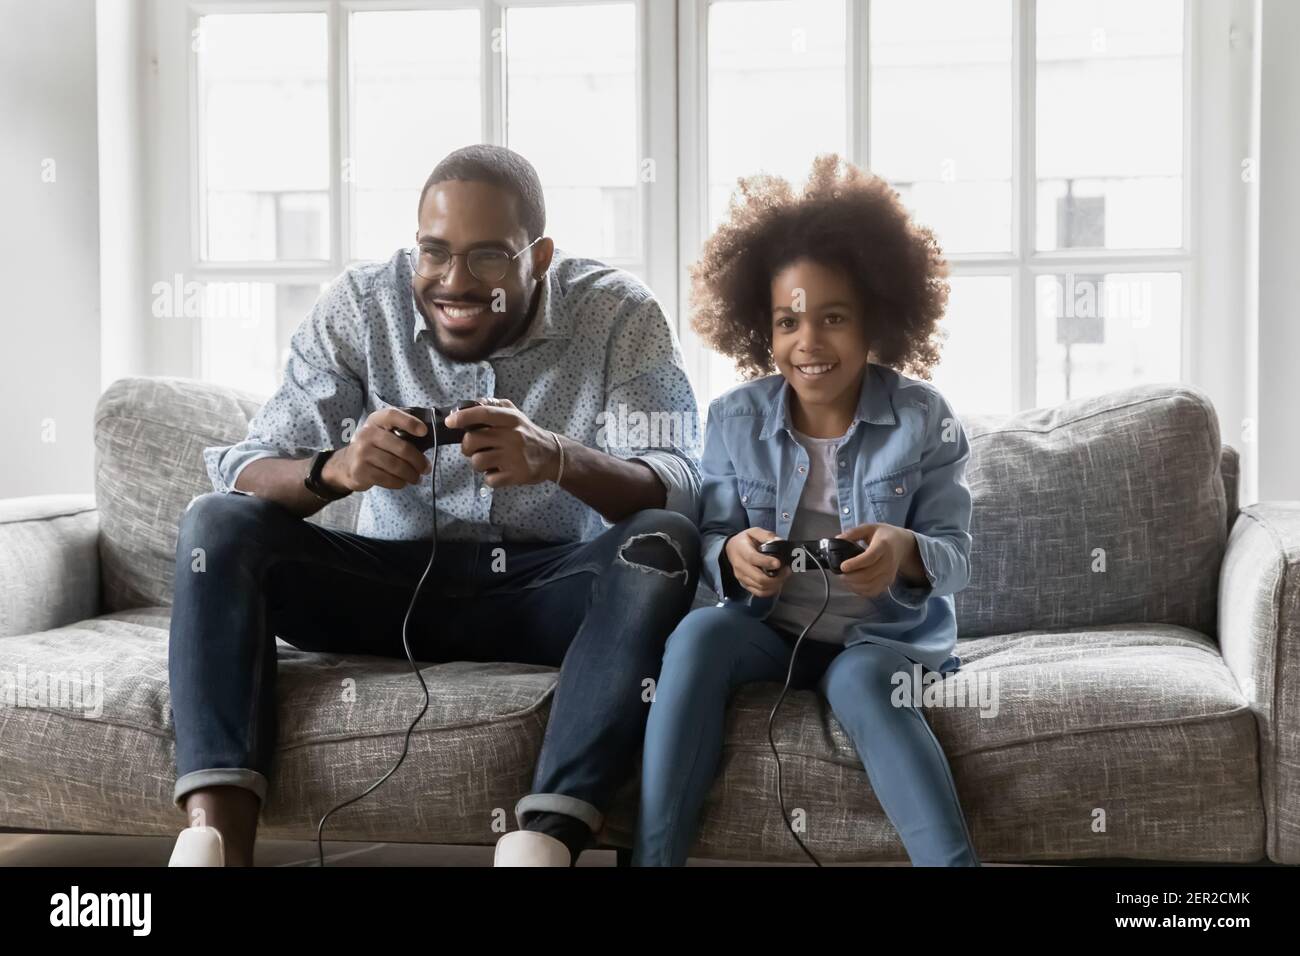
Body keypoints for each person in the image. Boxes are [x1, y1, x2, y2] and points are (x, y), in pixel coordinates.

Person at [166, 144, 702, 867]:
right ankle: (216, 842)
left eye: (487, 257)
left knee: (661, 540)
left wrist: (558, 458)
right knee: (216, 520)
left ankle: (546, 839)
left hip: (546, 598)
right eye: (433, 252)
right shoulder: (360, 306)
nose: (454, 282)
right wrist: (338, 470)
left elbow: (678, 481)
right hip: (385, 590)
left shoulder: (617, 312)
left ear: (538, 256)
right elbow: (244, 466)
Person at [633, 154, 980, 866]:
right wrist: (729, 555)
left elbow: (957, 556)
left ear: (875, 321)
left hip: (885, 639)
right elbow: (717, 532)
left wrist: (903, 548)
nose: (808, 343)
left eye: (832, 319)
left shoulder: (923, 418)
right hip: (770, 628)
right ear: (762, 330)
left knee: (860, 682)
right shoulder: (732, 418)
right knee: (698, 638)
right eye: (787, 322)